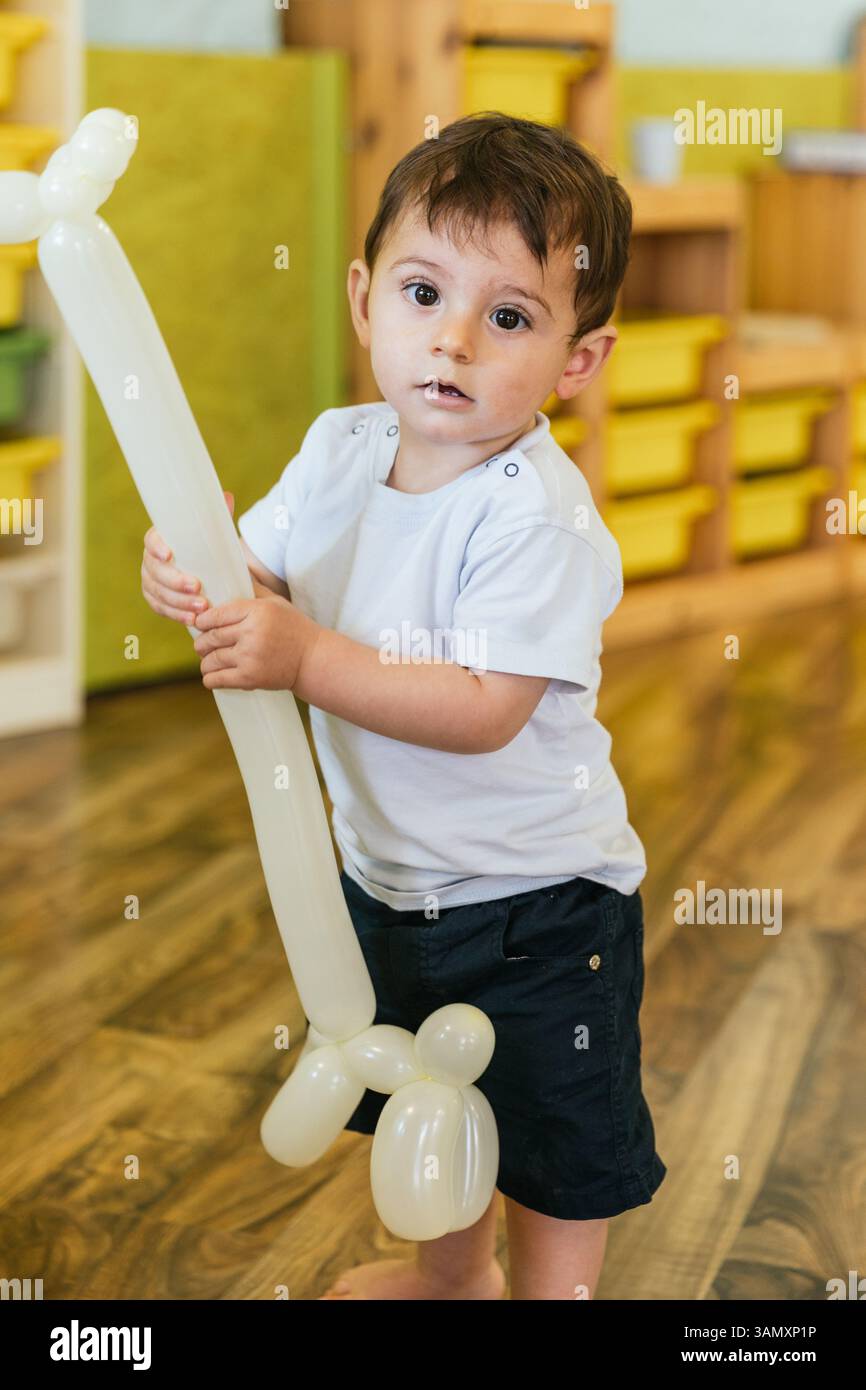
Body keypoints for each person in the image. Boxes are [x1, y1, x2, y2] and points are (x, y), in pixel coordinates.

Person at [141, 112, 666, 1300]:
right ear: (363, 296)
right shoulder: (337, 450)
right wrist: (193, 571)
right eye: (424, 293)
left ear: (575, 360)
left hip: (536, 901)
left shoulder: (532, 515)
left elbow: (482, 706)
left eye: (511, 317)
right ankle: (449, 1278)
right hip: (389, 883)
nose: (455, 341)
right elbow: (256, 579)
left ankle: (550, 1294)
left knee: (546, 1129)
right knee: (438, 1095)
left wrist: (302, 654)